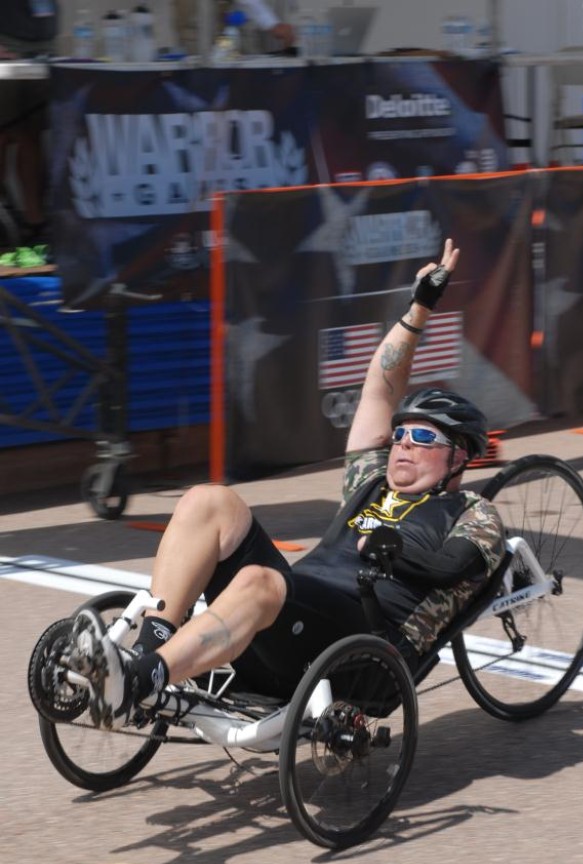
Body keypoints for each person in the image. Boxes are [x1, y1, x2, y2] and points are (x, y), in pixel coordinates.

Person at [71, 238, 506, 730]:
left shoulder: (473, 512)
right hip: (294, 611)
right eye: (401, 434)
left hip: (363, 646)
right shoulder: (369, 480)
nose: (403, 444)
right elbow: (379, 387)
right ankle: (146, 657)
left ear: (459, 456)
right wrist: (420, 307)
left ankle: (138, 681)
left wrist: (396, 552)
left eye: (423, 437)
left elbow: (456, 567)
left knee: (259, 582)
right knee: (209, 501)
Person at [0, 1, 58, 246]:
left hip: (43, 47)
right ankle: (5, 221)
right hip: (8, 45)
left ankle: (34, 221)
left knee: (31, 134)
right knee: (5, 132)